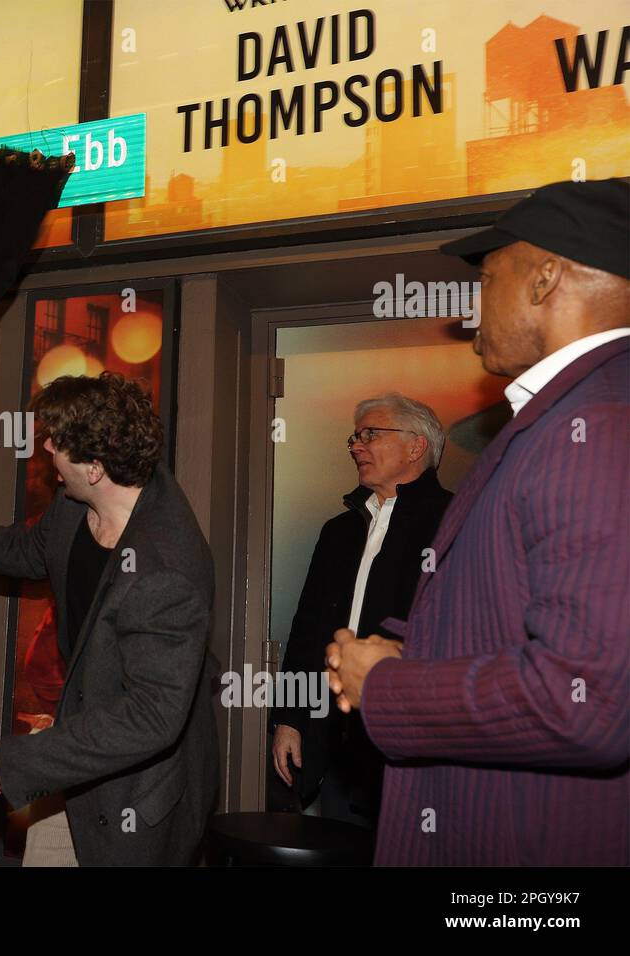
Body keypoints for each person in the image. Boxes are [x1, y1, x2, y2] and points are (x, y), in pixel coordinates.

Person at [326, 178, 630, 865]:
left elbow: (588, 699)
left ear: (546, 277)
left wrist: (390, 686)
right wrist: (407, 650)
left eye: (488, 275)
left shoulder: (599, 423)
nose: (472, 307)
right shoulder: (573, 413)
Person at [0, 371, 218, 866]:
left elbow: (153, 715)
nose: (46, 448)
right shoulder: (77, 507)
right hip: (74, 761)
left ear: (93, 467)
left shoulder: (167, 566)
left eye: (57, 443)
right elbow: (29, 550)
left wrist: (21, 760)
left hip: (132, 795)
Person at [270, 394, 452, 826]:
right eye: (355, 437)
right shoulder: (339, 531)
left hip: (413, 739)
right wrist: (290, 719)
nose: (356, 446)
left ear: (416, 446)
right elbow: (307, 630)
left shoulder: (456, 519)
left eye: (372, 434)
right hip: (334, 739)